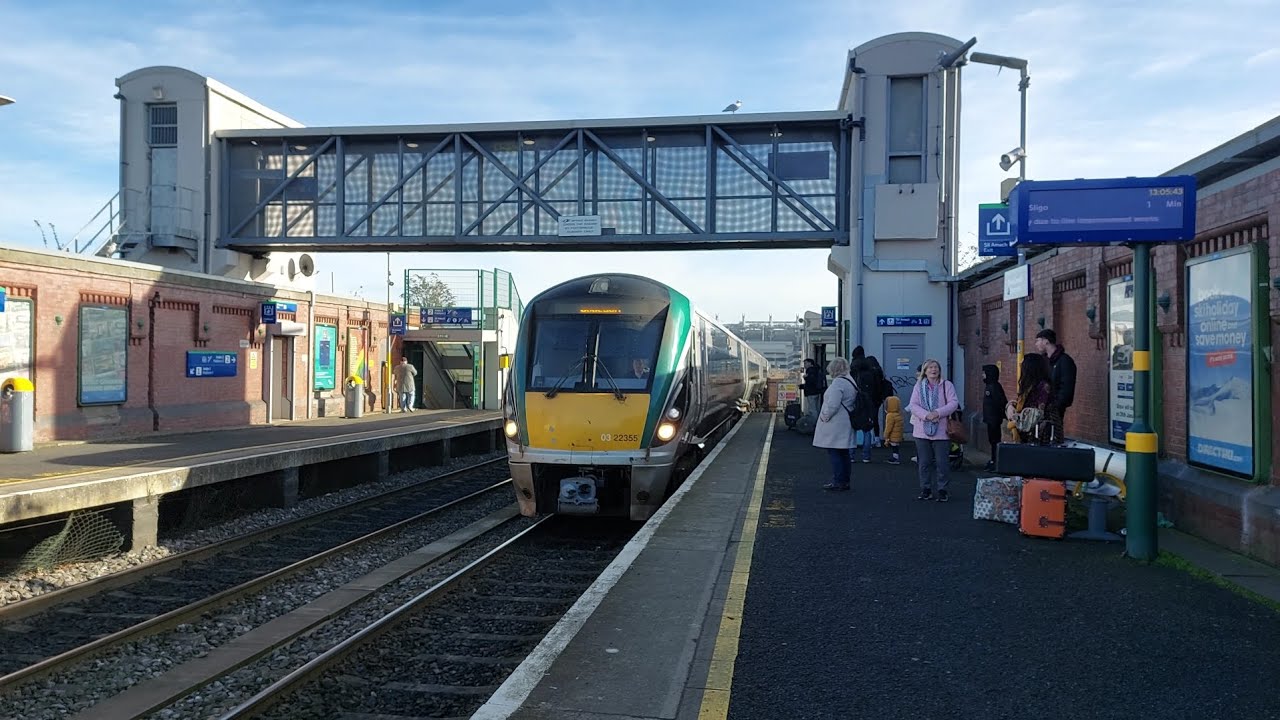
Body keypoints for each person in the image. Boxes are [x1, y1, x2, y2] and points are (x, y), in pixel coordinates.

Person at [907, 358, 959, 502]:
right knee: (924, 462)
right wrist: (926, 415)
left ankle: (942, 489)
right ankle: (926, 489)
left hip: (942, 431)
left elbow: (953, 403)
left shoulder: (946, 385)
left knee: (942, 463)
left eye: (935, 367)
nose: (933, 370)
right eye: (930, 367)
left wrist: (937, 413)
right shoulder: (918, 386)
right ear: (925, 371)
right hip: (921, 430)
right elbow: (913, 405)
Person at [811, 357, 855, 491]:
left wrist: (824, 416)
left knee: (834, 452)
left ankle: (838, 481)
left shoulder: (838, 383)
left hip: (836, 423)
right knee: (844, 453)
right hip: (845, 421)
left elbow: (833, 404)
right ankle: (845, 481)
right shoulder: (850, 380)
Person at [1005, 353, 1059, 444]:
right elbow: (1020, 403)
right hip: (1030, 434)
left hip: (1042, 436)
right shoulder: (1029, 387)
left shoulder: (1043, 387)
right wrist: (1010, 406)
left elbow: (1037, 414)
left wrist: (1015, 420)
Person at [1035, 328, 1077, 430]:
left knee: (1053, 433)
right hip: (1040, 408)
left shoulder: (1065, 361)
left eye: (1038, 340)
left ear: (1046, 341)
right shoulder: (1042, 361)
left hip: (1055, 410)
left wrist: (1055, 406)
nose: (1036, 344)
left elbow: (1066, 388)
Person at [981, 364, 1009, 471]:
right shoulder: (990, 386)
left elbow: (1000, 402)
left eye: (984, 373)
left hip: (994, 419)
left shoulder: (994, 387)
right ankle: (993, 459)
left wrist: (1002, 415)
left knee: (995, 441)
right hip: (991, 419)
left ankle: (996, 461)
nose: (983, 375)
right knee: (992, 440)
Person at [882, 394, 904, 465]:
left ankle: (895, 459)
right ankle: (896, 457)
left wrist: (885, 435)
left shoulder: (890, 415)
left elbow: (888, 427)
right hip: (898, 434)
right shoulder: (899, 414)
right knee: (896, 447)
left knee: (894, 447)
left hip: (893, 435)